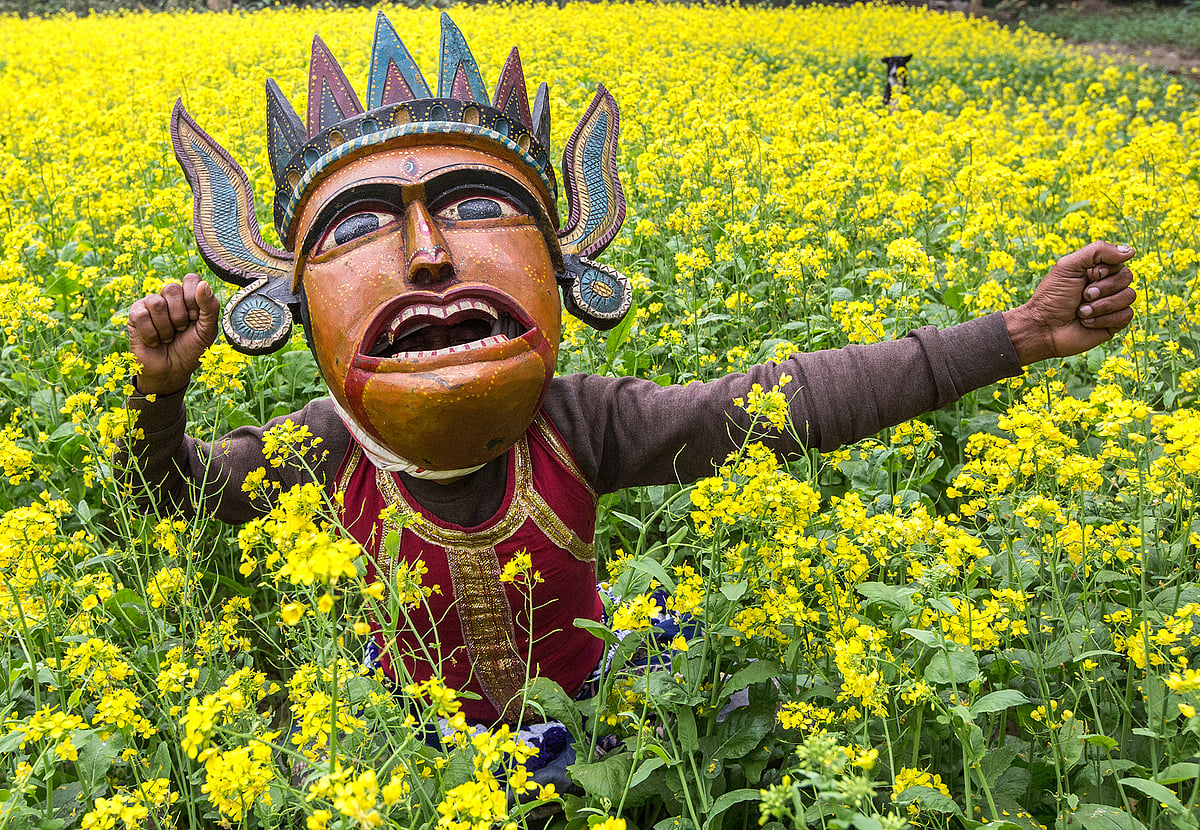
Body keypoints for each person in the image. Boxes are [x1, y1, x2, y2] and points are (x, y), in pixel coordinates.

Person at [123, 12, 1136, 728]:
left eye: (481, 208)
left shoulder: (576, 422)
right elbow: (174, 498)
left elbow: (789, 404)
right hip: (404, 761)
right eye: (359, 228)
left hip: (590, 744)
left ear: (568, 268)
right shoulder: (325, 447)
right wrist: (159, 397)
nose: (429, 255)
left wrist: (1019, 334)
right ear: (286, 302)